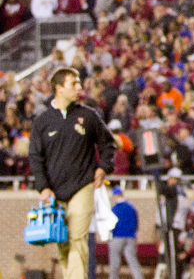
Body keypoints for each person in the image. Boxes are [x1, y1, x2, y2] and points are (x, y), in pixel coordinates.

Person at [30, 68, 116, 279]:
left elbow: (108, 144)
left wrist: (103, 167)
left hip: (83, 185)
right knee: (63, 242)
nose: (79, 87)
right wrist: (43, 187)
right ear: (59, 88)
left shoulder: (88, 115)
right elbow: (35, 158)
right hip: (55, 191)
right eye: (74, 84)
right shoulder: (42, 122)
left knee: (77, 237)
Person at [157, 168, 189, 279]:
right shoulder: (181, 191)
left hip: (173, 227)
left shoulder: (175, 190)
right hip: (176, 226)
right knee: (173, 254)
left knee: (172, 255)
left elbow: (161, 189)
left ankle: (174, 276)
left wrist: (156, 175)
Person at [108, 187, 144, 279]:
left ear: (115, 196)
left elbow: (110, 224)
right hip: (131, 237)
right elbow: (136, 223)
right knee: (132, 261)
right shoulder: (131, 207)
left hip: (117, 236)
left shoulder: (115, 208)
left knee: (114, 262)